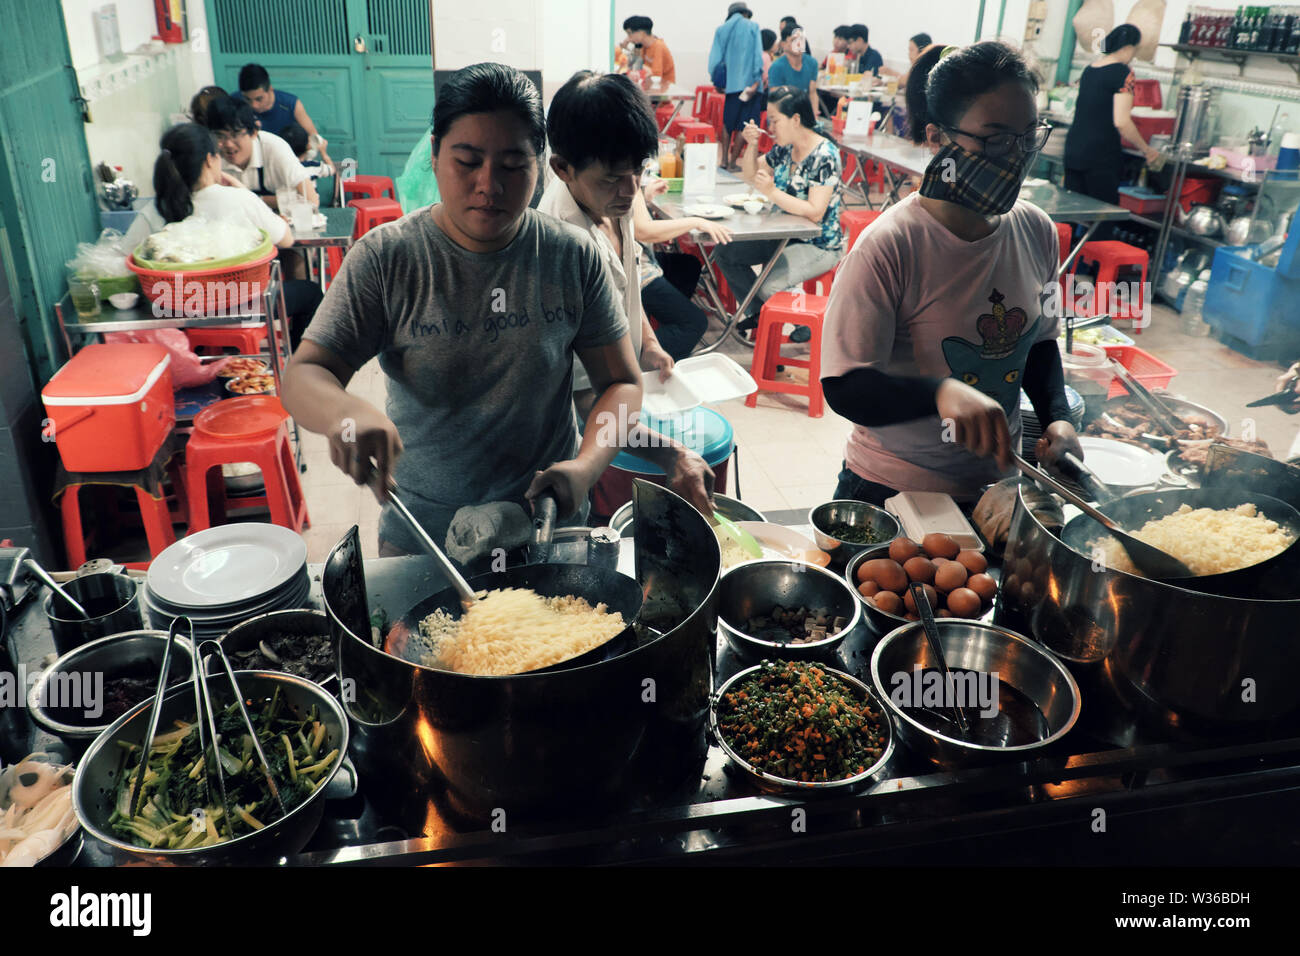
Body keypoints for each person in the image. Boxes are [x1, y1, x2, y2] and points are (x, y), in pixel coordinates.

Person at [281, 62, 643, 557]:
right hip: (423, 537)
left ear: (542, 166)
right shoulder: (388, 259)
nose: (489, 185)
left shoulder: (571, 256)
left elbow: (623, 384)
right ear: (433, 155)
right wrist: (344, 415)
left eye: (514, 165)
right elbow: (303, 376)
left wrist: (587, 466)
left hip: (545, 528)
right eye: (467, 161)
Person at [821, 41, 1082, 506]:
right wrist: (939, 393)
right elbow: (846, 387)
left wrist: (1057, 417)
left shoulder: (1037, 230)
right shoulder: (889, 247)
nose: (1015, 156)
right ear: (937, 137)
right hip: (894, 489)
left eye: (1028, 138)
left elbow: (1040, 342)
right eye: (996, 138)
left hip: (999, 486)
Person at [538, 71, 714, 513]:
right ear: (563, 168)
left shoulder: (607, 199)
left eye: (638, 170)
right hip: (580, 444)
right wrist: (671, 453)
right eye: (614, 178)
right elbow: (586, 403)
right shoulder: (561, 247)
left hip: (617, 408)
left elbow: (628, 276)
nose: (631, 189)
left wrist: (648, 342)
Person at [121, 123, 323, 349]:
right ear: (209, 160)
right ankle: (300, 364)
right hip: (244, 306)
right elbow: (286, 240)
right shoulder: (237, 199)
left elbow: (124, 256)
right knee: (311, 293)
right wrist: (243, 191)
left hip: (178, 312)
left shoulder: (156, 210)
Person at [718, 86, 843, 344]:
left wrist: (773, 192)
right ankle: (758, 312)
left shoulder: (825, 154)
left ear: (796, 119)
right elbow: (752, 176)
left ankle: (801, 318)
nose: (770, 127)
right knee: (726, 253)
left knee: (769, 286)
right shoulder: (785, 149)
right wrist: (751, 146)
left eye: (774, 120)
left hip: (818, 244)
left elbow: (815, 212)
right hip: (783, 235)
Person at [1063, 24, 1160, 209]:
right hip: (1100, 155)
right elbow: (1122, 122)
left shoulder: (1090, 69)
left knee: (1071, 211)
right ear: (1128, 48)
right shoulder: (1124, 73)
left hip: (1074, 149)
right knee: (1102, 216)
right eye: (1135, 49)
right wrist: (1146, 150)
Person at [205, 95, 318, 211]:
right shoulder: (210, 155)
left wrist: (256, 200)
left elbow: (311, 200)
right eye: (220, 136)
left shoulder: (274, 148)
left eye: (235, 135)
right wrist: (276, 200)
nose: (228, 144)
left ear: (253, 132)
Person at [235, 63, 334, 168]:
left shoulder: (290, 104)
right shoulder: (236, 103)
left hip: (287, 163)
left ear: (270, 90)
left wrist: (304, 158)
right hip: (252, 163)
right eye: (248, 99)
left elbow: (314, 137)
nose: (253, 105)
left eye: (259, 99)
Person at [708, 2, 764, 170]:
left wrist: (717, 81)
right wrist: (756, 80)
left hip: (731, 86)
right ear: (746, 13)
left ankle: (723, 160)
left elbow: (714, 60)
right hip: (750, 86)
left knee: (728, 122)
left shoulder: (722, 29)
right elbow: (757, 57)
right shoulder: (753, 27)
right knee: (745, 123)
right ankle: (733, 162)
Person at [767, 26, 821, 118]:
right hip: (782, 114)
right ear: (783, 44)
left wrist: (814, 114)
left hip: (804, 114)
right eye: (793, 40)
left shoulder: (812, 63)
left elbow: (812, 92)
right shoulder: (776, 67)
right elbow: (776, 100)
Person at [622, 16, 676, 85]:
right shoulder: (644, 47)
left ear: (641, 33)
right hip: (651, 86)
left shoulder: (658, 46)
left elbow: (656, 75)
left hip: (664, 90)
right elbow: (633, 66)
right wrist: (625, 48)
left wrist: (638, 65)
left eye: (629, 34)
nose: (628, 38)